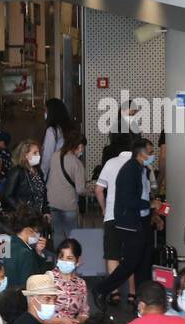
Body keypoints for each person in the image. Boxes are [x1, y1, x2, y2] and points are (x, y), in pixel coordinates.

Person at [92, 138, 157, 311]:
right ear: (140, 153)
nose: (153, 156)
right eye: (150, 153)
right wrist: (150, 205)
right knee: (131, 262)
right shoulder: (130, 170)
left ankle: (142, 299)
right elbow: (128, 200)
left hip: (139, 220)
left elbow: (142, 194)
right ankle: (102, 289)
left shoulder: (141, 169)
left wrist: (152, 211)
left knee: (142, 262)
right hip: (129, 222)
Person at [94, 139, 134, 298]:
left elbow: (98, 189)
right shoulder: (142, 164)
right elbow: (151, 189)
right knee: (131, 256)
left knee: (113, 254)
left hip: (112, 215)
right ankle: (132, 293)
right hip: (134, 218)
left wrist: (104, 209)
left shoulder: (110, 163)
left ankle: (114, 292)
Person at [46, 237, 88, 324]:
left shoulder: (81, 284)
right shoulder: (48, 278)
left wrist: (77, 321)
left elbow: (84, 312)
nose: (64, 261)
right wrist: (61, 321)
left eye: (69, 258)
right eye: (61, 257)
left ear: (78, 260)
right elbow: (36, 313)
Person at [46, 131, 88, 243]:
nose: (82, 150)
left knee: (58, 234)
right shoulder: (77, 163)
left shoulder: (55, 156)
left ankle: (57, 259)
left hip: (52, 202)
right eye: (82, 147)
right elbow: (80, 190)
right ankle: (70, 258)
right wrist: (89, 190)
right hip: (68, 204)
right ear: (79, 146)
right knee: (71, 235)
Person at [0, 203, 52, 289]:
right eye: (37, 230)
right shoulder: (26, 253)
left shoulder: (7, 245)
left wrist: (38, 252)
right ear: (29, 230)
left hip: (9, 296)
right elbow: (30, 283)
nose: (38, 234)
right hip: (21, 298)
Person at [1, 140, 47, 220]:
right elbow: (7, 195)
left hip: (37, 216)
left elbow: (43, 193)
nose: (39, 155)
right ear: (26, 155)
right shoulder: (17, 171)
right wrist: (22, 211)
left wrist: (46, 211)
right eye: (35, 153)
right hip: (22, 217)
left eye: (39, 152)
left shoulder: (38, 171)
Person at [42, 98, 73, 177]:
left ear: (51, 112)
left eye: (45, 110)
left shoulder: (52, 130)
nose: (44, 113)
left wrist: (43, 174)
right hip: (69, 169)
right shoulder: (69, 128)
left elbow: (47, 155)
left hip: (55, 172)